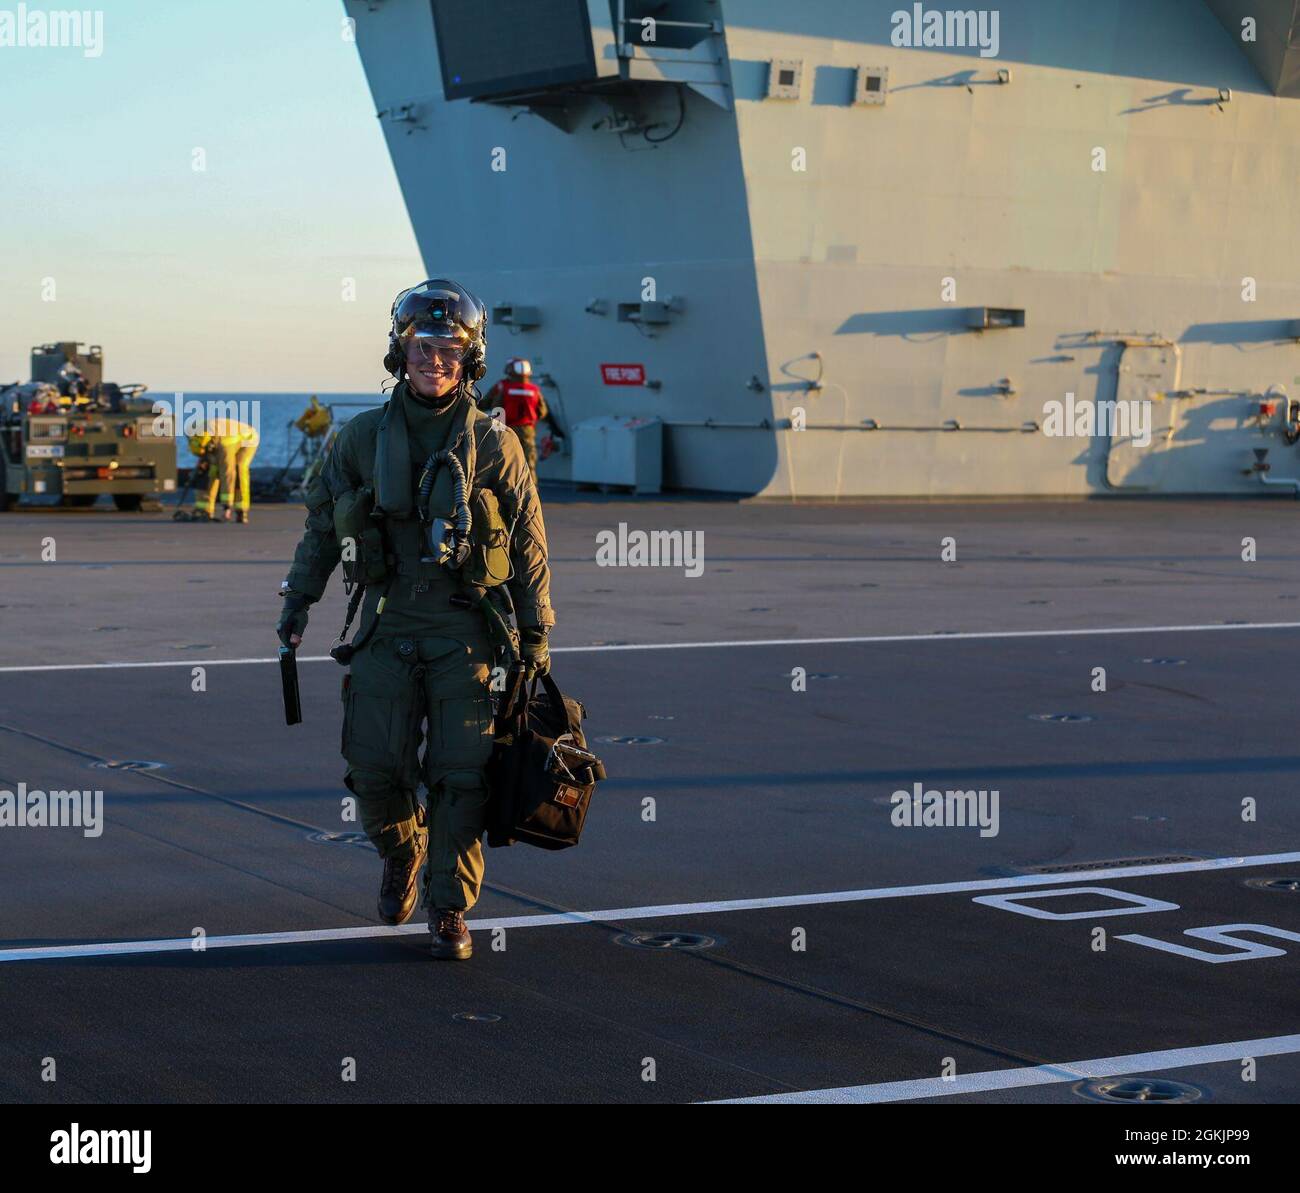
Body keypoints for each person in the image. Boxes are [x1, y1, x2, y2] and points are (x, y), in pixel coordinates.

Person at [277, 279, 555, 961]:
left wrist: (535, 634)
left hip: (466, 630)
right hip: (384, 619)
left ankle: (450, 907)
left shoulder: (496, 445)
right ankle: (403, 852)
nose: (435, 360)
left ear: (470, 360)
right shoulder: (361, 438)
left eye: (449, 350)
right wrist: (296, 606)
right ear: (400, 352)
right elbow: (320, 528)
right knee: (373, 771)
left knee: (462, 776)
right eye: (423, 346)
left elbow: (526, 543)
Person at [484, 357, 548, 484]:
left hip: (504, 430)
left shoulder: (502, 387)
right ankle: (530, 492)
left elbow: (489, 404)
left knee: (504, 462)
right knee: (529, 463)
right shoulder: (534, 390)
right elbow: (542, 412)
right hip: (527, 431)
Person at [212, 417, 259, 524]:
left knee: (238, 470)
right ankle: (239, 512)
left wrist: (226, 506)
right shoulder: (201, 433)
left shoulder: (224, 444)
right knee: (227, 471)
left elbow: (227, 473)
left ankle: (238, 511)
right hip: (234, 436)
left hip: (249, 439)